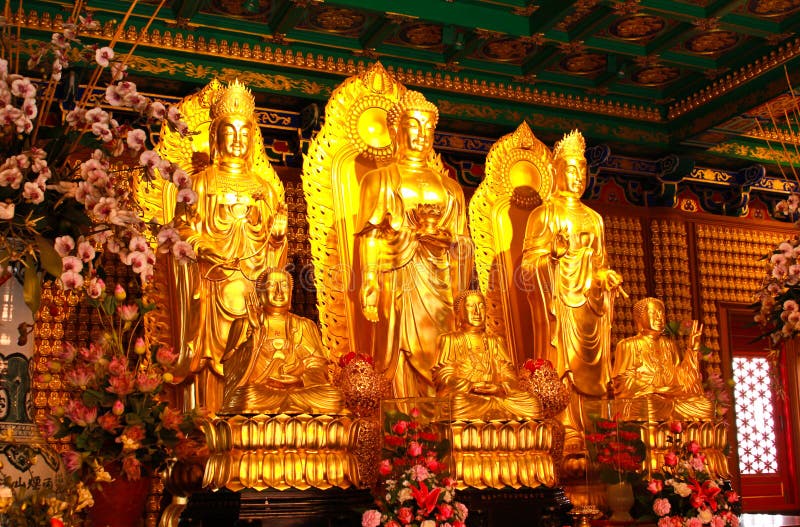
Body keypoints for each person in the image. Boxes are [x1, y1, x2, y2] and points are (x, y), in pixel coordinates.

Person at [172, 79, 287, 414]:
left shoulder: (266, 188)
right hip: (212, 283)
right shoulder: (199, 184)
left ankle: (251, 417)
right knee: (212, 353)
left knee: (254, 348)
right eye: (229, 131)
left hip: (254, 285)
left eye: (244, 132)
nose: (237, 139)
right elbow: (180, 230)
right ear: (216, 137)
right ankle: (206, 417)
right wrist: (202, 246)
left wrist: (277, 237)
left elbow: (275, 255)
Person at [356, 90, 472, 398]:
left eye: (428, 128)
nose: (422, 135)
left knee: (443, 350)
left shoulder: (450, 188)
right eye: (414, 126)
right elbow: (370, 235)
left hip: (441, 284)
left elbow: (463, 243)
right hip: (397, 278)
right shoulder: (379, 180)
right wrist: (369, 279)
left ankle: (441, 411)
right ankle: (402, 415)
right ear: (396, 130)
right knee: (398, 348)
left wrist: (447, 241)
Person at [521, 129, 623, 445]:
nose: (578, 177)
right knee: (563, 366)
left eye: (583, 170)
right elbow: (527, 269)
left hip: (592, 307)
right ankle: (564, 425)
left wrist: (606, 278)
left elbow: (600, 264)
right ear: (555, 172)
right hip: (560, 305)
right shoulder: (544, 214)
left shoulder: (594, 219)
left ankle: (597, 431)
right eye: (571, 169)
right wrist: (552, 256)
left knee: (597, 370)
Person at [219, 268, 343, 415]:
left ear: (290, 294)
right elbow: (231, 370)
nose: (279, 291)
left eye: (284, 286)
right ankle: (290, 408)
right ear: (260, 294)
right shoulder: (243, 324)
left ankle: (289, 405)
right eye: (272, 285)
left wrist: (301, 380)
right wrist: (255, 334)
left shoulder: (305, 325)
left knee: (334, 397)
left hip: (299, 390)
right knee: (246, 398)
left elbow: (318, 366)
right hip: (261, 392)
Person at [433, 290, 540, 420]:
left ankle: (496, 415)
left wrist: (500, 387)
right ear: (459, 312)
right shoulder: (450, 340)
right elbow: (443, 377)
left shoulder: (495, 341)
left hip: (497, 397)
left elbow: (510, 375)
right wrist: (471, 386)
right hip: (469, 398)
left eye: (481, 306)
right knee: (456, 403)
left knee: (532, 403)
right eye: (470, 306)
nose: (477, 312)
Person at [612, 297, 714, 421]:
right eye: (653, 313)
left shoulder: (670, 345)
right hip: (647, 399)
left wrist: (692, 349)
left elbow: (682, 378)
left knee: (706, 405)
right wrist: (654, 389)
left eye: (662, 313)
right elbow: (622, 383)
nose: (659, 317)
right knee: (649, 404)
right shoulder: (628, 345)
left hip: (670, 399)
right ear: (639, 318)